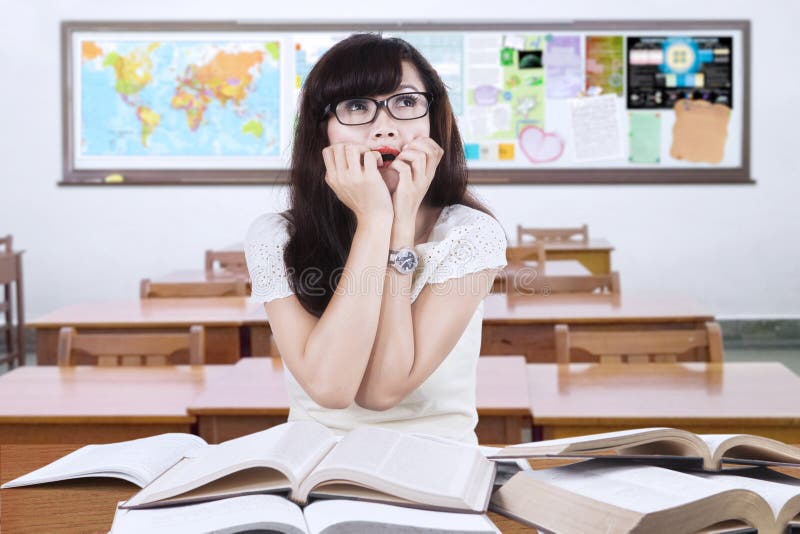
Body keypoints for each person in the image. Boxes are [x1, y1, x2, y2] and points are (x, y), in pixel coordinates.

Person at [245, 33, 507, 444]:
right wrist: (374, 220)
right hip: (312, 471)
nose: (384, 130)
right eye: (356, 107)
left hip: (434, 468)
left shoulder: (470, 234)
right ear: (323, 131)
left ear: (433, 118)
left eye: (405, 103)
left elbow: (380, 390)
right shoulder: (276, 236)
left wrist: (398, 224)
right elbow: (331, 389)